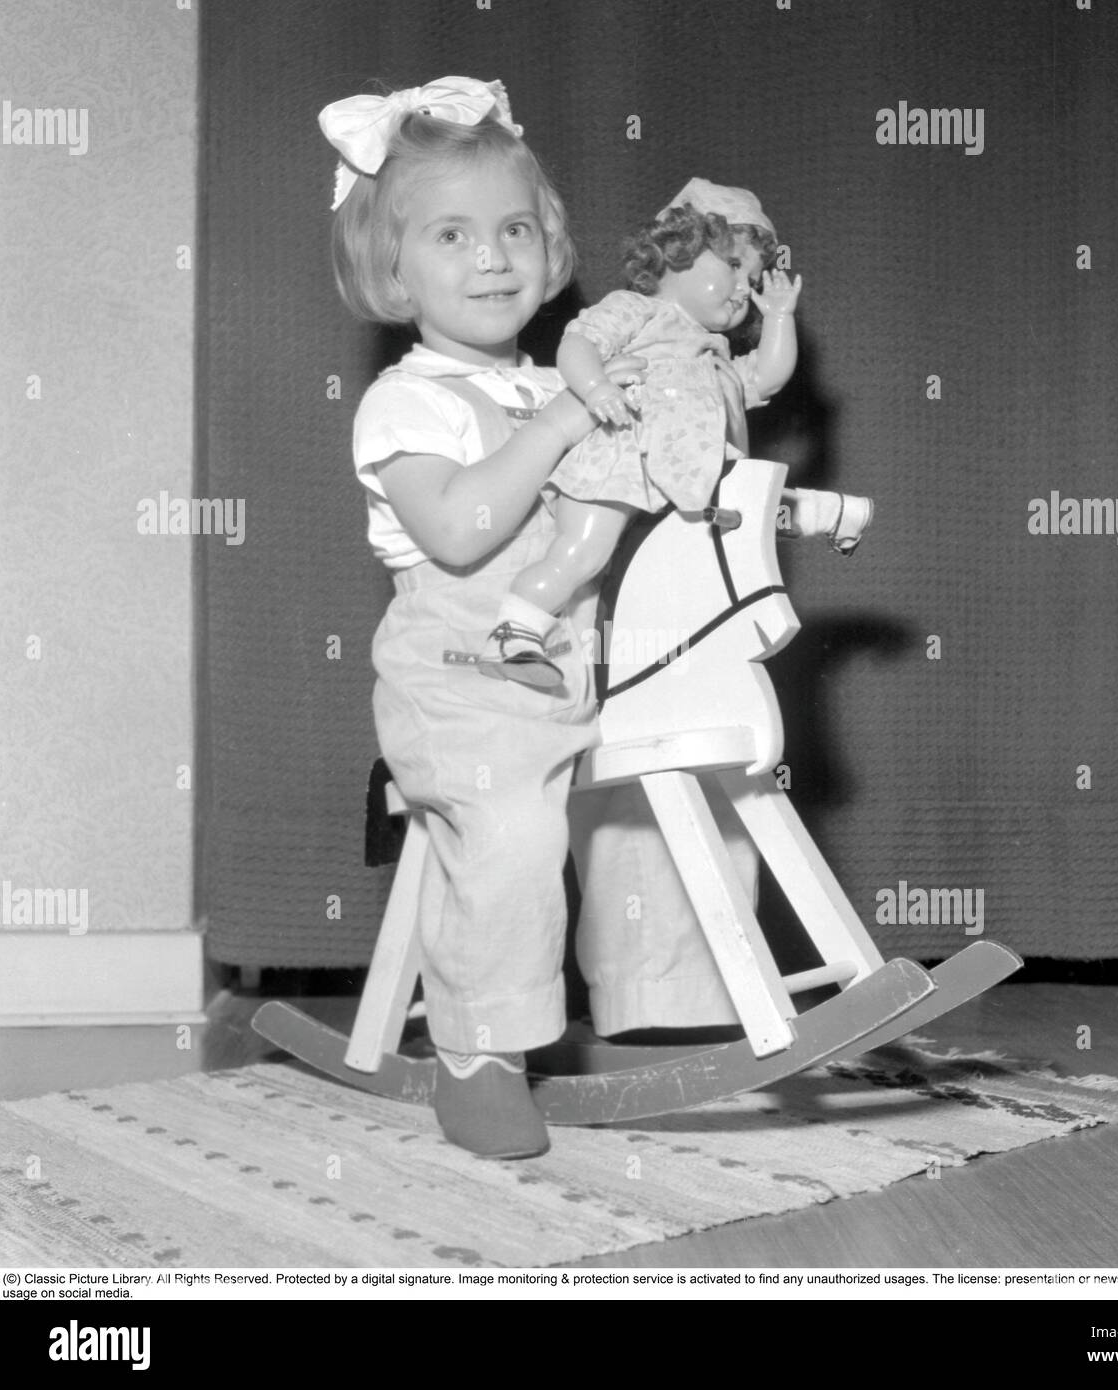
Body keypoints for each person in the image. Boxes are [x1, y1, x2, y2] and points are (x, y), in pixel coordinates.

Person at [320, 76, 648, 1160]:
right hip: (457, 677)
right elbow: (461, 531)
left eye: (513, 228)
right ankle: (476, 1051)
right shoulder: (406, 403)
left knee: (676, 793)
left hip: (570, 663)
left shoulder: (555, 379)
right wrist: (561, 420)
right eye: (451, 234)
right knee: (510, 827)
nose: (493, 257)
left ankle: (672, 991)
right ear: (391, 265)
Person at [482, 180, 870, 686]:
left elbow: (769, 376)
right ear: (676, 250)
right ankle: (513, 633)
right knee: (583, 553)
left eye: (752, 280)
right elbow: (578, 345)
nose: (742, 289)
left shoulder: (717, 355)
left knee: (737, 522)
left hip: (695, 483)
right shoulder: (638, 311)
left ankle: (820, 513)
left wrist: (778, 317)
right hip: (621, 459)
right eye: (732, 266)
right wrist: (597, 389)